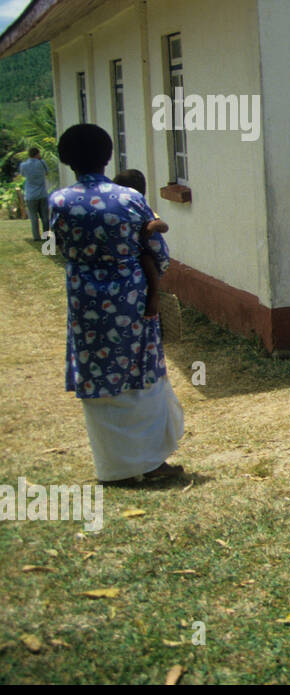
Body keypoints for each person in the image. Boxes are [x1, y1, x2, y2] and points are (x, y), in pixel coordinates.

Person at [47, 124, 184, 483]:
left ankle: (115, 468)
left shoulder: (59, 201)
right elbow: (157, 254)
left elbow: (63, 246)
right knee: (141, 375)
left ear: (67, 159)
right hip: (135, 301)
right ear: (108, 156)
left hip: (85, 301)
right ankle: (151, 462)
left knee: (99, 377)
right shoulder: (129, 199)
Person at [113, 169, 170, 319]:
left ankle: (153, 295)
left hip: (144, 252)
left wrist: (151, 227)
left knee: (147, 261)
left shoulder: (142, 209)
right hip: (130, 253)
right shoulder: (120, 209)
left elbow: (162, 226)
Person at [19, 146, 50, 242]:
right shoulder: (42, 163)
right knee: (45, 216)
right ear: (37, 154)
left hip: (30, 194)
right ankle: (46, 235)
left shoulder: (24, 165)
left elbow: (23, 175)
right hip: (42, 193)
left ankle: (36, 236)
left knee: (33, 217)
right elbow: (47, 173)